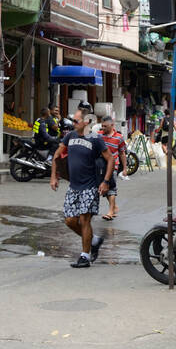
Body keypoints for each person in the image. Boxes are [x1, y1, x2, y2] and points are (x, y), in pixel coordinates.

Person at [51, 109, 114, 268]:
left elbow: (110, 159)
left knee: (84, 220)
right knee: (70, 220)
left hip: (90, 186)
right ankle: (94, 241)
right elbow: (57, 155)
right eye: (73, 121)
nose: (73, 124)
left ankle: (85, 256)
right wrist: (54, 176)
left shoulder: (95, 139)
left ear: (86, 122)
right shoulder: (69, 136)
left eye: (76, 121)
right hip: (74, 186)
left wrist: (105, 182)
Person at [98, 116, 128, 221]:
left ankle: (110, 212)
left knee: (111, 187)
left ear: (112, 125)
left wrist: (124, 168)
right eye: (102, 126)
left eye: (105, 126)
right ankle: (114, 207)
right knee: (103, 187)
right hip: (100, 166)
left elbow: (122, 153)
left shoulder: (119, 137)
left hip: (113, 166)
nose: (103, 128)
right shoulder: (99, 135)